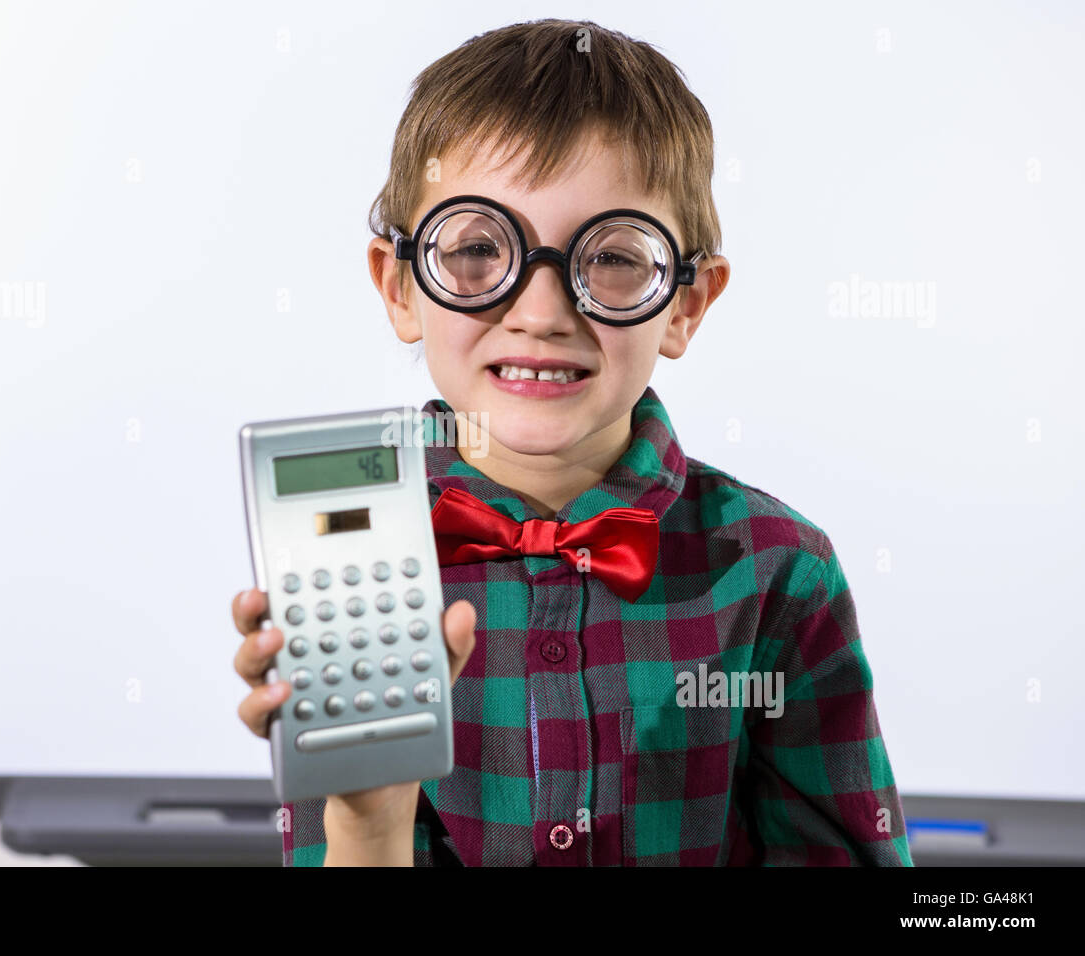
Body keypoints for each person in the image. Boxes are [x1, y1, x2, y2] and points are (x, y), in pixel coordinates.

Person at [231, 17, 912, 866]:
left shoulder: (779, 569)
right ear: (401, 286)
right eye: (478, 249)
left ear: (687, 305)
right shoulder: (351, 559)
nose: (543, 312)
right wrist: (366, 823)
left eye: (613, 259)